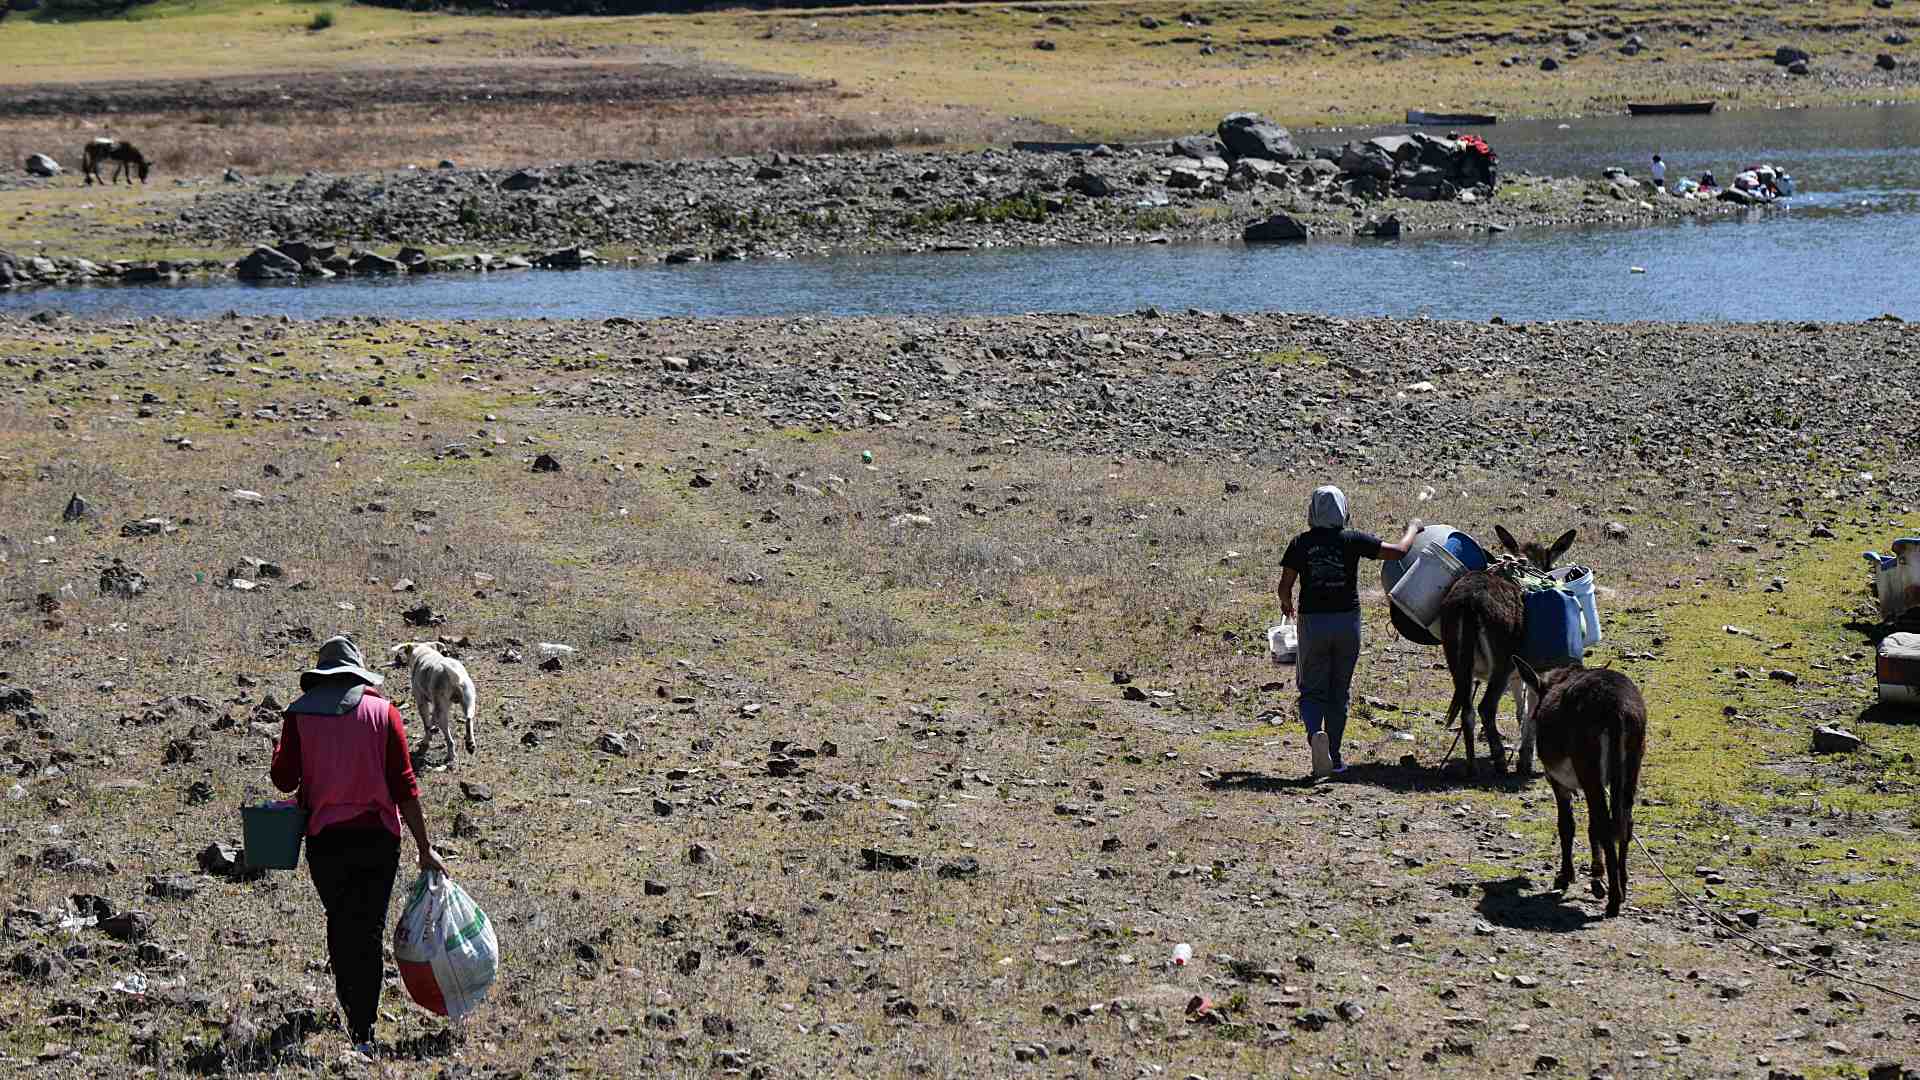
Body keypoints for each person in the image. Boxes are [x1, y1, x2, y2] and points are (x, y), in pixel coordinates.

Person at [272, 636, 448, 1055]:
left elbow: (284, 780)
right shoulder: (383, 713)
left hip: (325, 840)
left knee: (340, 918)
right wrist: (425, 848)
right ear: (358, 674)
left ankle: (351, 1003)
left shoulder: (299, 715)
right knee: (367, 929)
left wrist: (280, 747)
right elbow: (405, 786)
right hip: (377, 840)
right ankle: (363, 1028)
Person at [1277, 487, 1423, 778]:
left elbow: (1285, 585)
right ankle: (1335, 755)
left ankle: (1315, 734)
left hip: (1313, 623)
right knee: (1339, 691)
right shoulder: (1353, 539)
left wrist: (1286, 604)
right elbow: (1398, 552)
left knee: (1311, 689)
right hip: (1347, 623)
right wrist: (1413, 528)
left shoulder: (1300, 543)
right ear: (1343, 510)